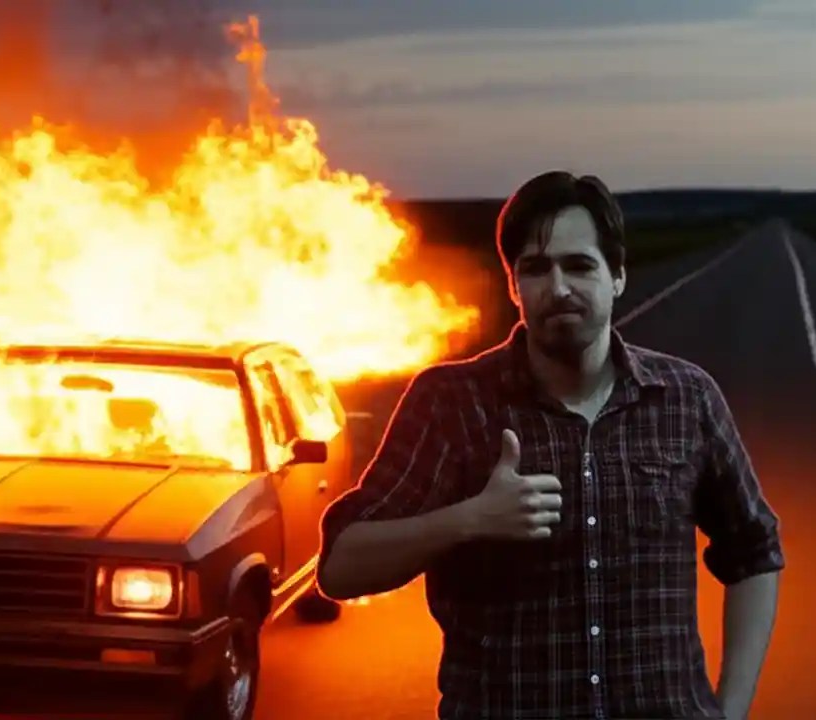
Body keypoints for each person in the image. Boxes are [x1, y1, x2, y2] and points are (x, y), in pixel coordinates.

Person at [316, 170, 784, 719]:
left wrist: (730, 709)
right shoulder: (451, 402)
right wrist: (470, 519)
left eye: (580, 265)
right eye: (536, 268)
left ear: (617, 277)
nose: (558, 287)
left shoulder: (686, 398)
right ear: (514, 286)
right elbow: (340, 568)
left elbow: (755, 550)